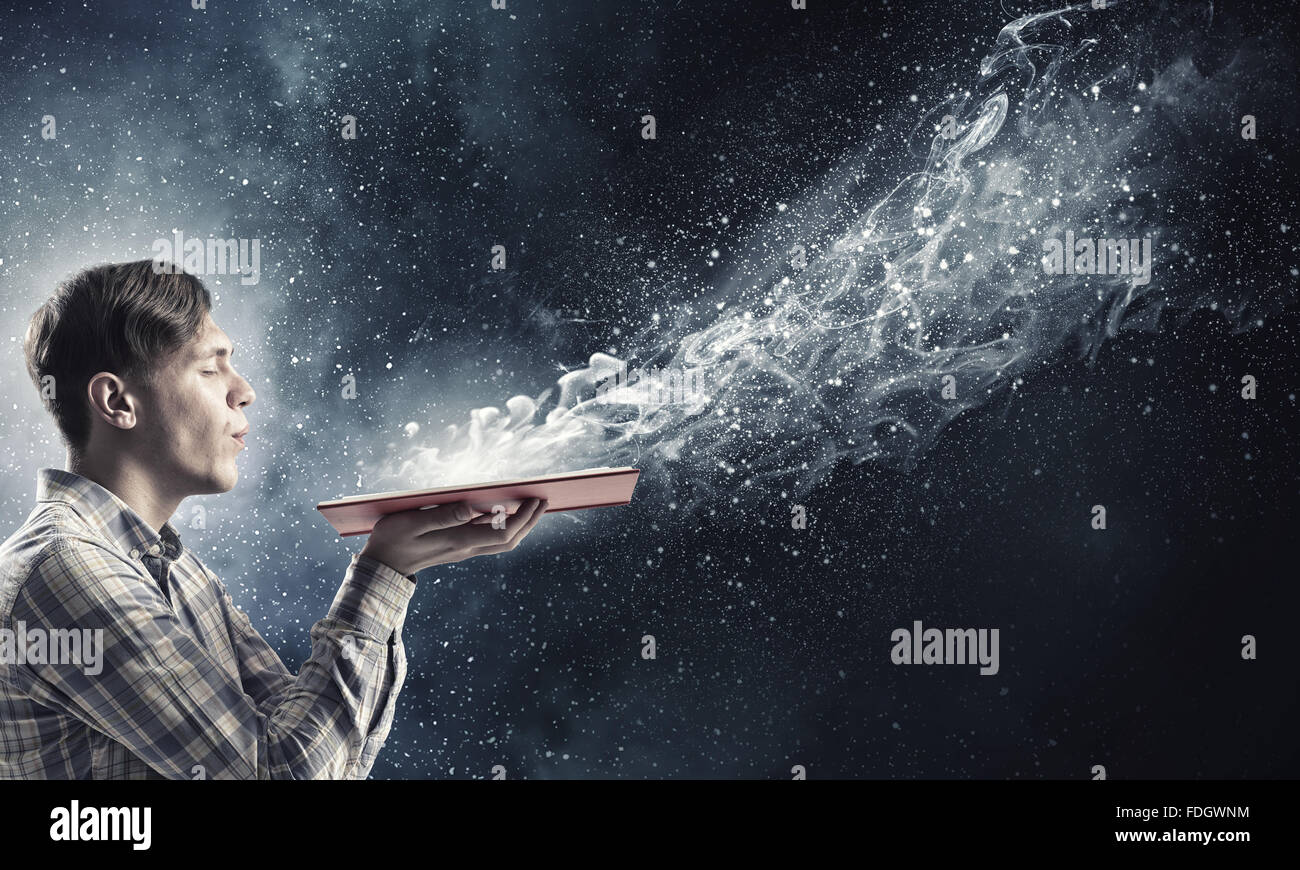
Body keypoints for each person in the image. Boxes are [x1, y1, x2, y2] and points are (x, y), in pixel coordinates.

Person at [0, 259, 547, 779]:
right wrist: (384, 572)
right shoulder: (67, 572)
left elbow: (321, 753)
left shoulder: (179, 573)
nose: (245, 391)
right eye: (211, 368)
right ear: (117, 401)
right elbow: (284, 772)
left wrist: (394, 569)